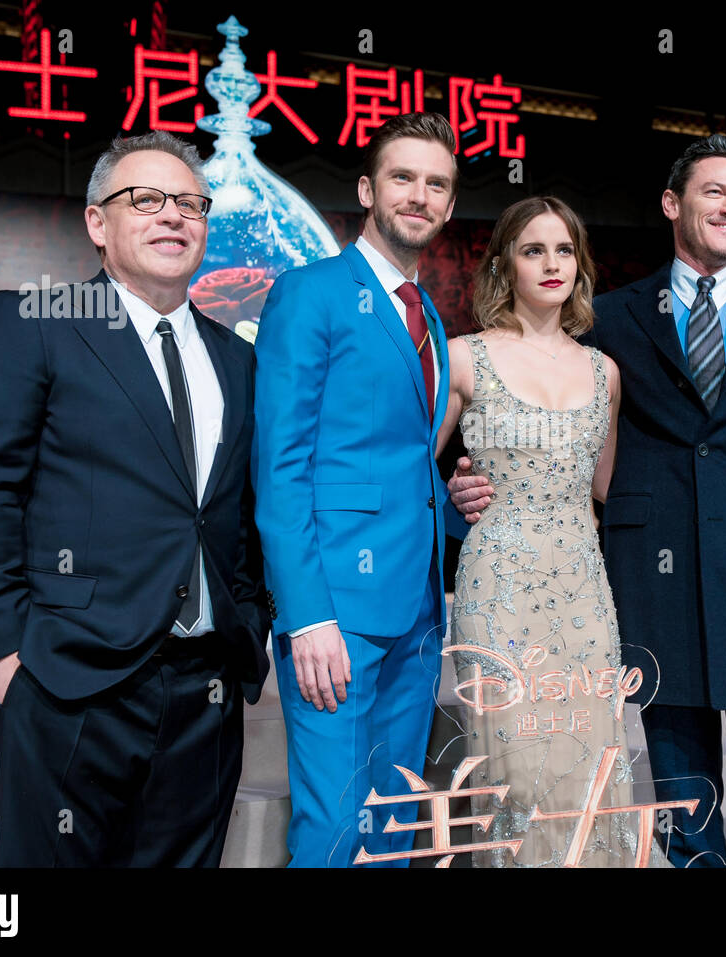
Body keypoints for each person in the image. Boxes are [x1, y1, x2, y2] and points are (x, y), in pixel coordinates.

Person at [451, 135, 726, 867]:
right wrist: (470, 477)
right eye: (715, 192)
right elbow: (554, 420)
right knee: (683, 806)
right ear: (673, 204)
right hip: (655, 588)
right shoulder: (608, 319)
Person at [0, 131, 270, 866]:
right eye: (145, 200)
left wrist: (251, 620)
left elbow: (236, 513)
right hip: (66, 681)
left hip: (204, 688)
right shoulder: (32, 322)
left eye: (190, 203)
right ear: (97, 223)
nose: (172, 216)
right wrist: (4, 657)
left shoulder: (239, 359)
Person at [253, 112, 470, 867]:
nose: (419, 194)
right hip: (336, 616)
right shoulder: (307, 293)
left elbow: (400, 459)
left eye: (436, 183)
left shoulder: (429, 317)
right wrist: (306, 614)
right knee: (335, 825)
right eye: (403, 177)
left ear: (448, 203)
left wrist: (456, 503)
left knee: (394, 823)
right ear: (367, 188)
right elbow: (280, 466)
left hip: (416, 611)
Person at [438, 196, 675, 867]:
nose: (551, 263)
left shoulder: (604, 372)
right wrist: (455, 491)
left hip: (582, 594)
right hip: (498, 591)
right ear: (504, 264)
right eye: (532, 249)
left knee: (589, 764)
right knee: (516, 774)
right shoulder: (462, 358)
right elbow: (408, 472)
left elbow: (606, 488)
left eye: (564, 249)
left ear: (580, 264)